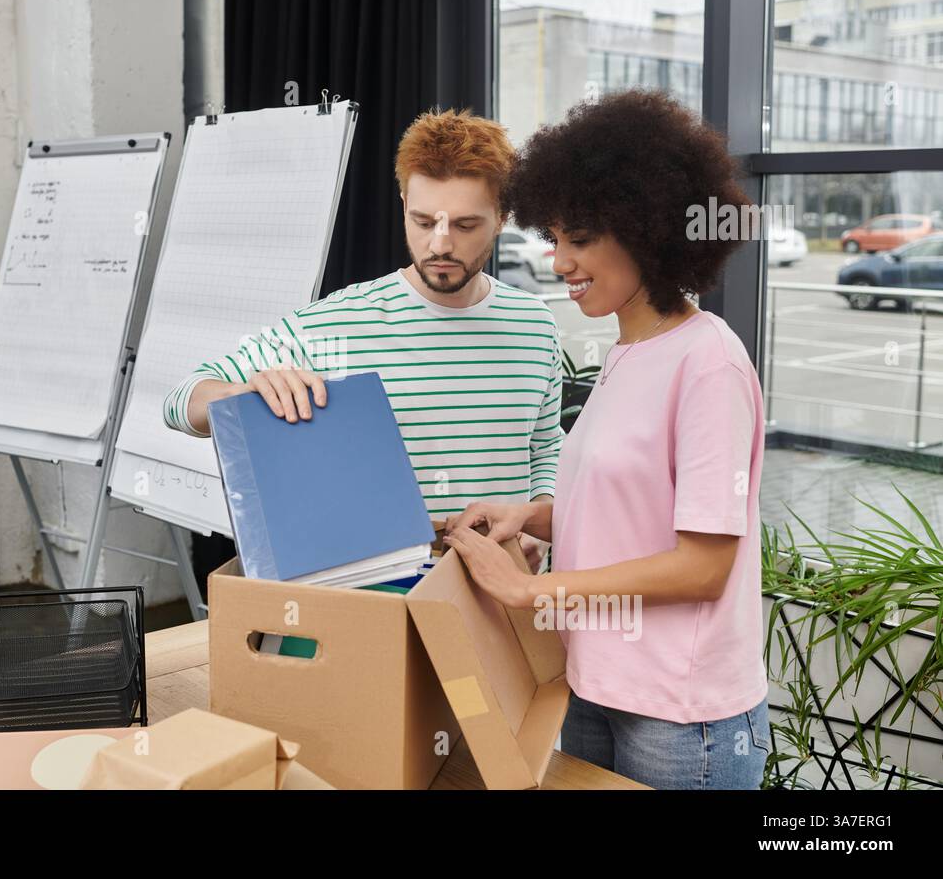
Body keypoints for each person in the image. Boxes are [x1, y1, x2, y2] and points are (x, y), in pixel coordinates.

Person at [443, 90, 770, 790]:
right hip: (594, 682)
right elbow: (630, 512)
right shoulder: (625, 351)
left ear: (646, 229)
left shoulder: (708, 362)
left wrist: (534, 592)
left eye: (581, 239)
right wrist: (525, 517)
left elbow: (703, 566)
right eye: (553, 239)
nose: (559, 262)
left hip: (680, 717)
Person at [162, 108, 563, 558]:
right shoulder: (338, 322)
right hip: (386, 596)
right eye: (424, 221)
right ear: (403, 206)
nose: (441, 245)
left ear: (502, 217)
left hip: (505, 594)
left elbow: (545, 447)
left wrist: (538, 519)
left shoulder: (536, 323)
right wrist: (242, 391)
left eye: (466, 225)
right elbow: (179, 402)